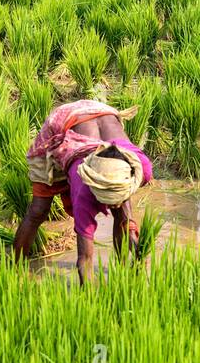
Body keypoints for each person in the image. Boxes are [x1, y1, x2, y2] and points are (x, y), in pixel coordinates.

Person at [14, 99, 152, 284]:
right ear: (95, 189)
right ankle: (12, 268)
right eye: (108, 198)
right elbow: (84, 260)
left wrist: (134, 245)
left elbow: (122, 195)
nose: (115, 204)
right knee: (39, 210)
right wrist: (88, 301)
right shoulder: (84, 190)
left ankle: (122, 268)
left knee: (121, 206)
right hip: (63, 122)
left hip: (103, 113)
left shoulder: (141, 168)